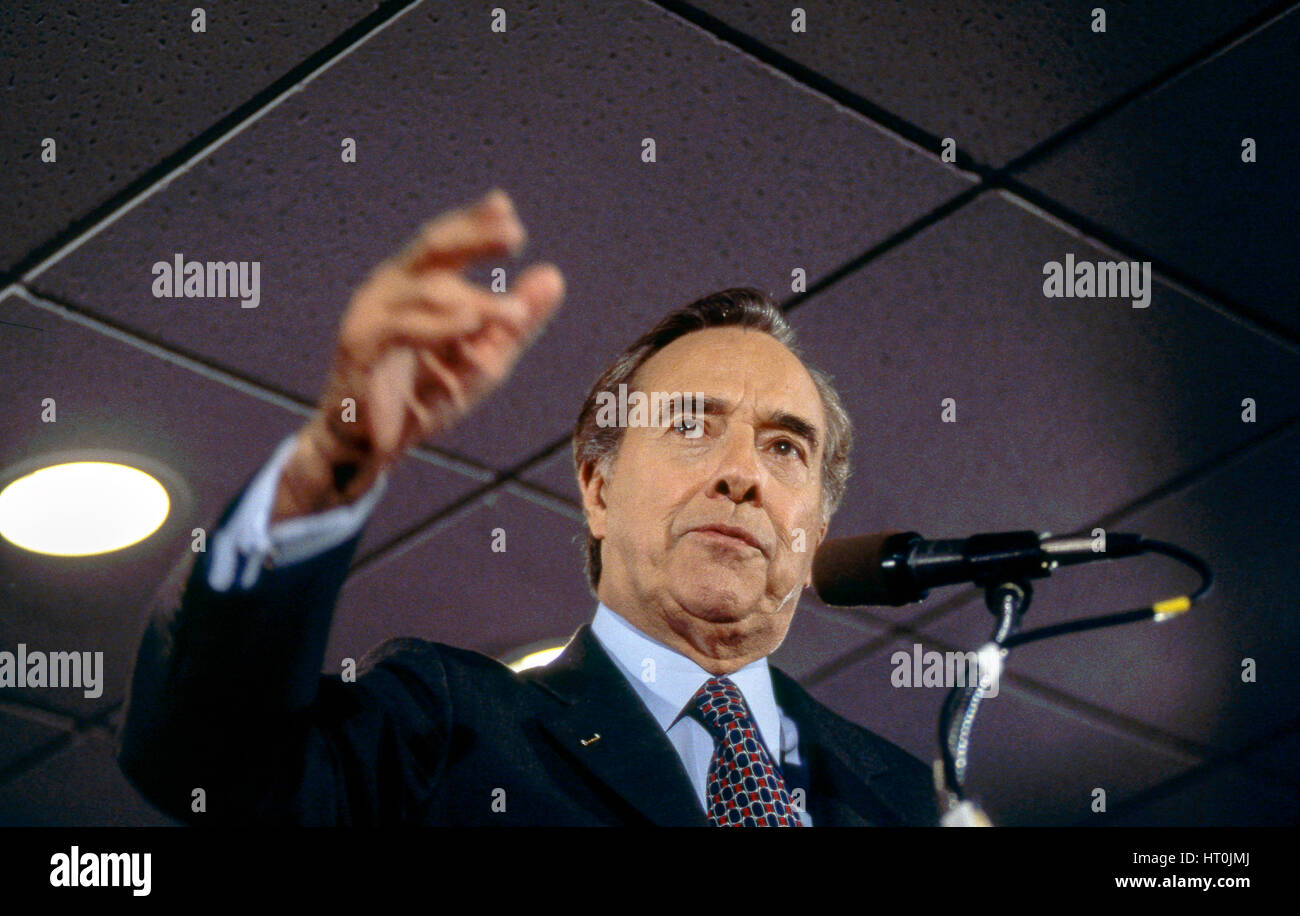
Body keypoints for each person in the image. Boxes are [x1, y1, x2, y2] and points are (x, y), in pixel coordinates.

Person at [118, 189, 938, 826]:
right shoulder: (447, 727)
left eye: (785, 447)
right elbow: (204, 766)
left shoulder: (913, 798)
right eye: (692, 425)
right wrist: (332, 463)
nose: (741, 474)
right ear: (599, 487)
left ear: (817, 529)